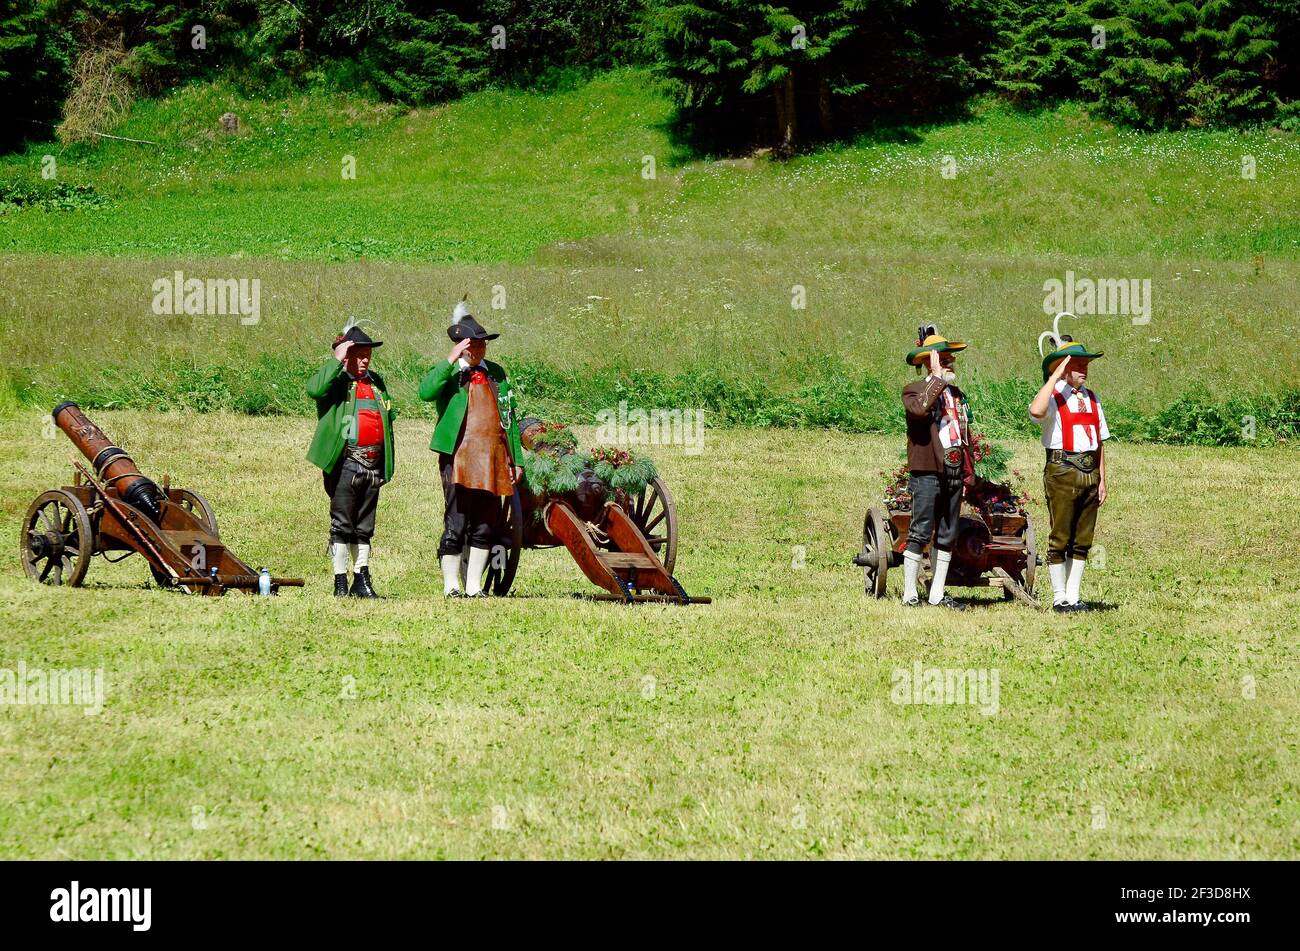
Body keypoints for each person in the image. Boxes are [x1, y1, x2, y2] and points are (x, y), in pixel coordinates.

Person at [419, 300, 524, 598]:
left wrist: (516, 460)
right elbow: (425, 392)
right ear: (461, 346)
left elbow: (510, 418)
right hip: (458, 458)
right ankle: (451, 585)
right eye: (472, 346)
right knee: (456, 522)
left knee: (484, 524)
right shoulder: (449, 373)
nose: (478, 351)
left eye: (481, 346)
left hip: (492, 459)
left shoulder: (498, 374)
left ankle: (474, 586)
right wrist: (449, 360)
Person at [305, 324, 396, 598]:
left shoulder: (377, 383)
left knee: (364, 526)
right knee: (342, 524)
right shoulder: (335, 382)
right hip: (346, 463)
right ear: (346, 355)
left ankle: (361, 578)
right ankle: (340, 582)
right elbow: (314, 389)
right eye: (358, 354)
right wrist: (336, 359)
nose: (365, 359)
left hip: (373, 465)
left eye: (367, 354)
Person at [1029, 337, 1108, 612]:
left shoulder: (1093, 398)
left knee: (1082, 538)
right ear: (1062, 368)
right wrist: (1054, 376)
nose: (1084, 369)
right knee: (1060, 535)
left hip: (1089, 472)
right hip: (1062, 471)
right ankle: (1059, 596)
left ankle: (1074, 596)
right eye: (1077, 365)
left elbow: (1099, 441)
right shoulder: (1053, 396)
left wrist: (1102, 479)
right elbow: (1035, 411)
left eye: (1086, 364)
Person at [901, 328, 972, 609]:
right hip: (927, 470)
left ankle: (937, 594)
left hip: (954, 469)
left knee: (948, 532)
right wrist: (936, 379)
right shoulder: (914, 390)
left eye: (950, 359)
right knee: (920, 531)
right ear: (929, 362)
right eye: (943, 359)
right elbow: (920, 410)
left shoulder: (957, 393)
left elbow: (963, 432)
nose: (950, 363)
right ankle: (909, 594)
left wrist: (969, 470)